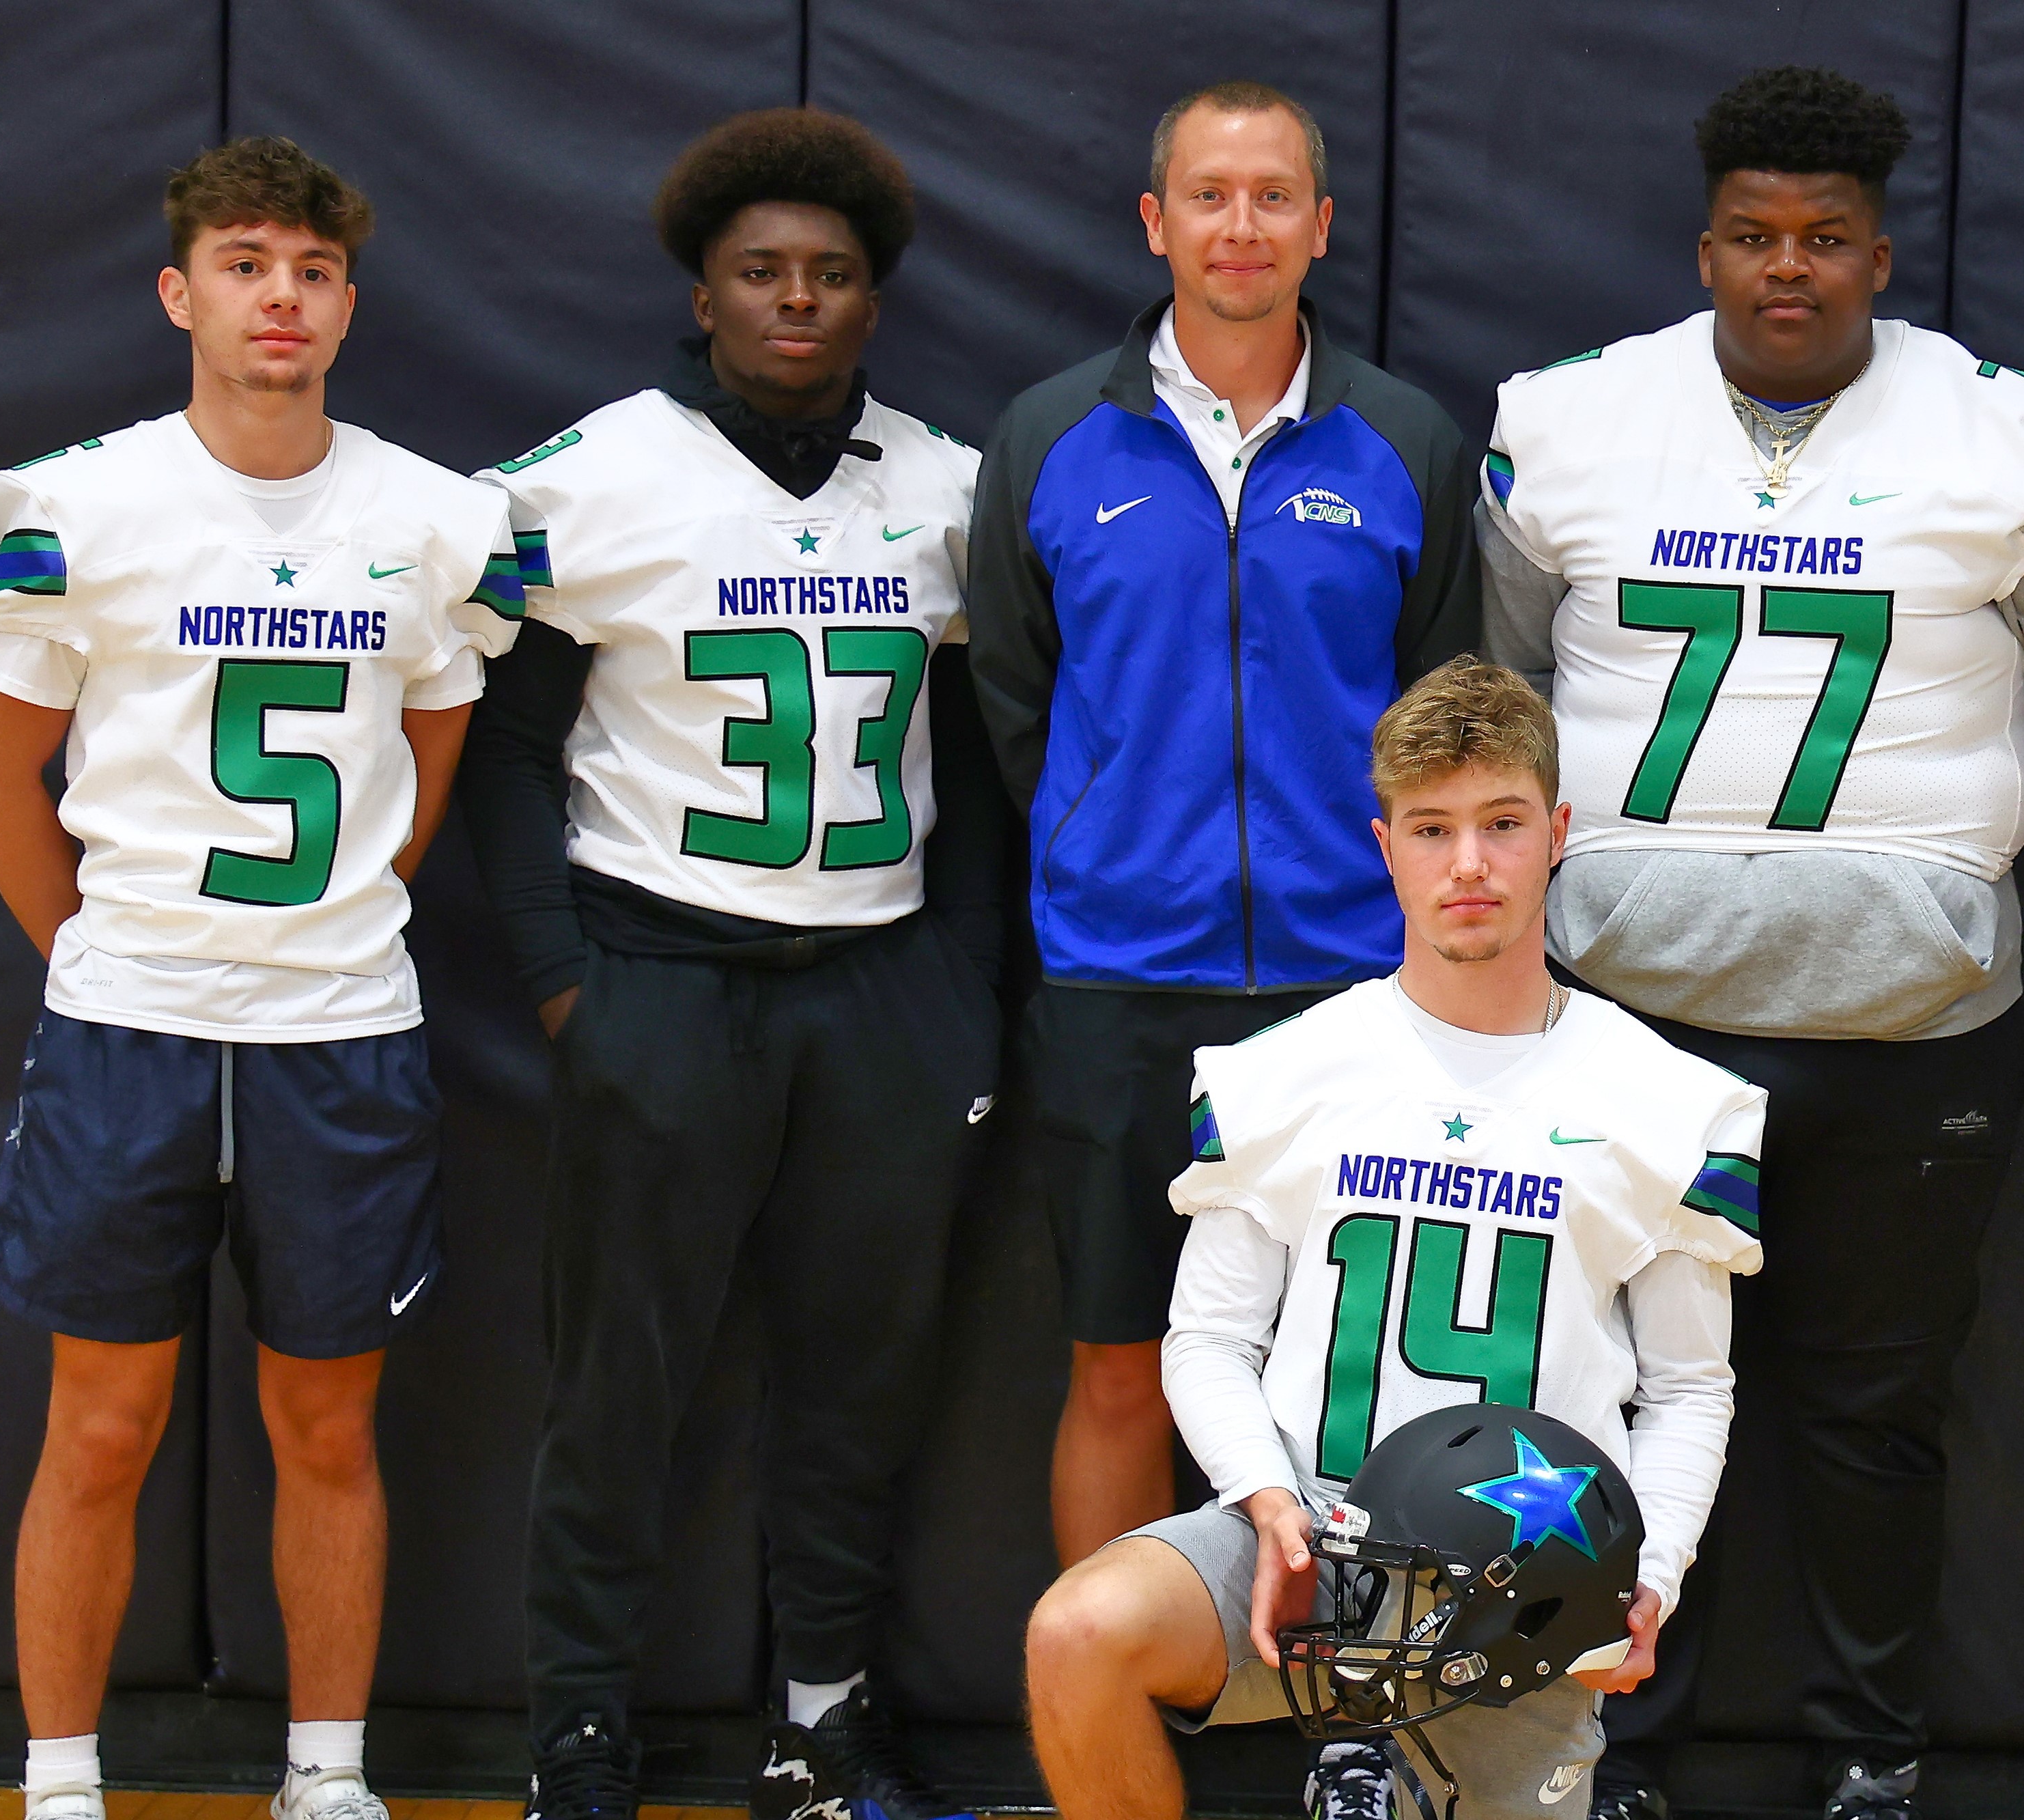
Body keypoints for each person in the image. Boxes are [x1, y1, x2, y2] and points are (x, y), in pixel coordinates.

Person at [1478, 67, 2024, 1820]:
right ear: (1706, 250)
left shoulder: (2007, 431)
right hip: (1628, 1013)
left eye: (1826, 239)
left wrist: (1926, 860)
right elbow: (1509, 684)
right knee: (1613, 1408)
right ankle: (1613, 1754)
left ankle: (1869, 1758)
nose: (1789, 268)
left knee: (1871, 1418)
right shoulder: (1575, 419)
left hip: (1914, 1019)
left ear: (1882, 259)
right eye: (1755, 236)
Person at [0, 138, 520, 1820]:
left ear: (350, 300)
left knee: (328, 1429)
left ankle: (324, 1776)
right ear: (179, 291)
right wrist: (106, 960)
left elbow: (424, 773)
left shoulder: (434, 519)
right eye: (251, 264)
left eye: (316, 270)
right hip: (129, 1022)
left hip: (338, 1029)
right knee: (101, 1424)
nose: (284, 296)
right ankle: (61, 1781)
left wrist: (321, 931)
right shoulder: (78, 502)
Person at [458, 110, 1005, 1820]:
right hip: (661, 978)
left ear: (870, 302)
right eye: (762, 273)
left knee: (859, 1374)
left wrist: (961, 986)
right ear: (702, 295)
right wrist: (565, 982)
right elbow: (497, 748)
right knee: (620, 1382)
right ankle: (579, 1730)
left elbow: (986, 765)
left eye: (831, 276)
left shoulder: (946, 485)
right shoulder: (588, 476)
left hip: (878, 990)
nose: (797, 300)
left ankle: (824, 1717)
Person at [1020, 656, 1763, 1820]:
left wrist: (1651, 1576)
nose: (1468, 863)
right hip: (1308, 1543)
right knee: (1079, 1630)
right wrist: (1265, 1500)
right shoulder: (1280, 1072)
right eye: (1432, 828)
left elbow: (1685, 1389)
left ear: (1558, 831)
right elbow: (1207, 1335)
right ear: (1386, 846)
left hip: (1523, 1593)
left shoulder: (1668, 1100)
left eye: (1501, 823)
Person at [968, 79, 1480, 1565]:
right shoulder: (1054, 437)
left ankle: (1346, 1739)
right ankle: (1106, 1727)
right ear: (1156, 221)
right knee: (1119, 1365)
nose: (1239, 225)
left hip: (1350, 989)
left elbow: (1448, 724)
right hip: (1120, 987)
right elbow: (1019, 701)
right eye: (1209, 194)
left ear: (1321, 226)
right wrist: (1119, 844)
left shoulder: (1406, 443)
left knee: (1352, 1385)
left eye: (1272, 196)